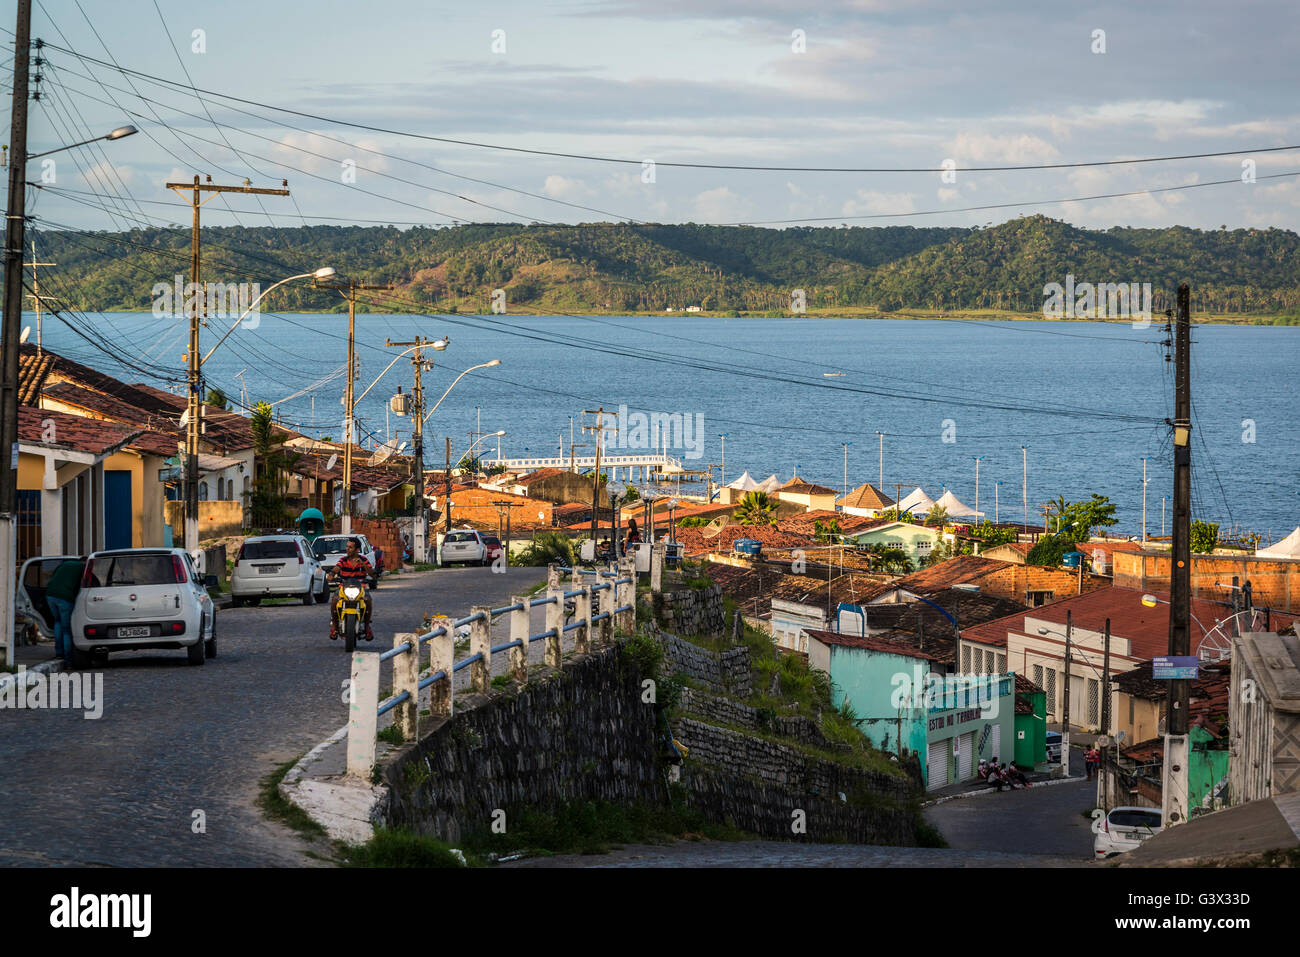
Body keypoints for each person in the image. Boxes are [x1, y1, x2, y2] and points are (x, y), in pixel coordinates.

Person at [45, 556, 86, 667]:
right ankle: (68, 661)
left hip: (50, 594)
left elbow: (53, 577)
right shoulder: (83, 567)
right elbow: (81, 585)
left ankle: (59, 653)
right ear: (85, 562)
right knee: (66, 629)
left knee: (57, 622)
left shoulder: (64, 564)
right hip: (65, 598)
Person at [331, 537, 375, 641]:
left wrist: (363, 565)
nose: (347, 549)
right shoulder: (343, 560)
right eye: (347, 547)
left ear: (357, 549)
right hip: (343, 587)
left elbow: (372, 574)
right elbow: (337, 568)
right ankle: (334, 625)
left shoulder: (363, 560)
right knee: (334, 600)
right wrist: (332, 574)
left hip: (361, 588)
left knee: (368, 600)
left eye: (350, 547)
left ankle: (367, 626)